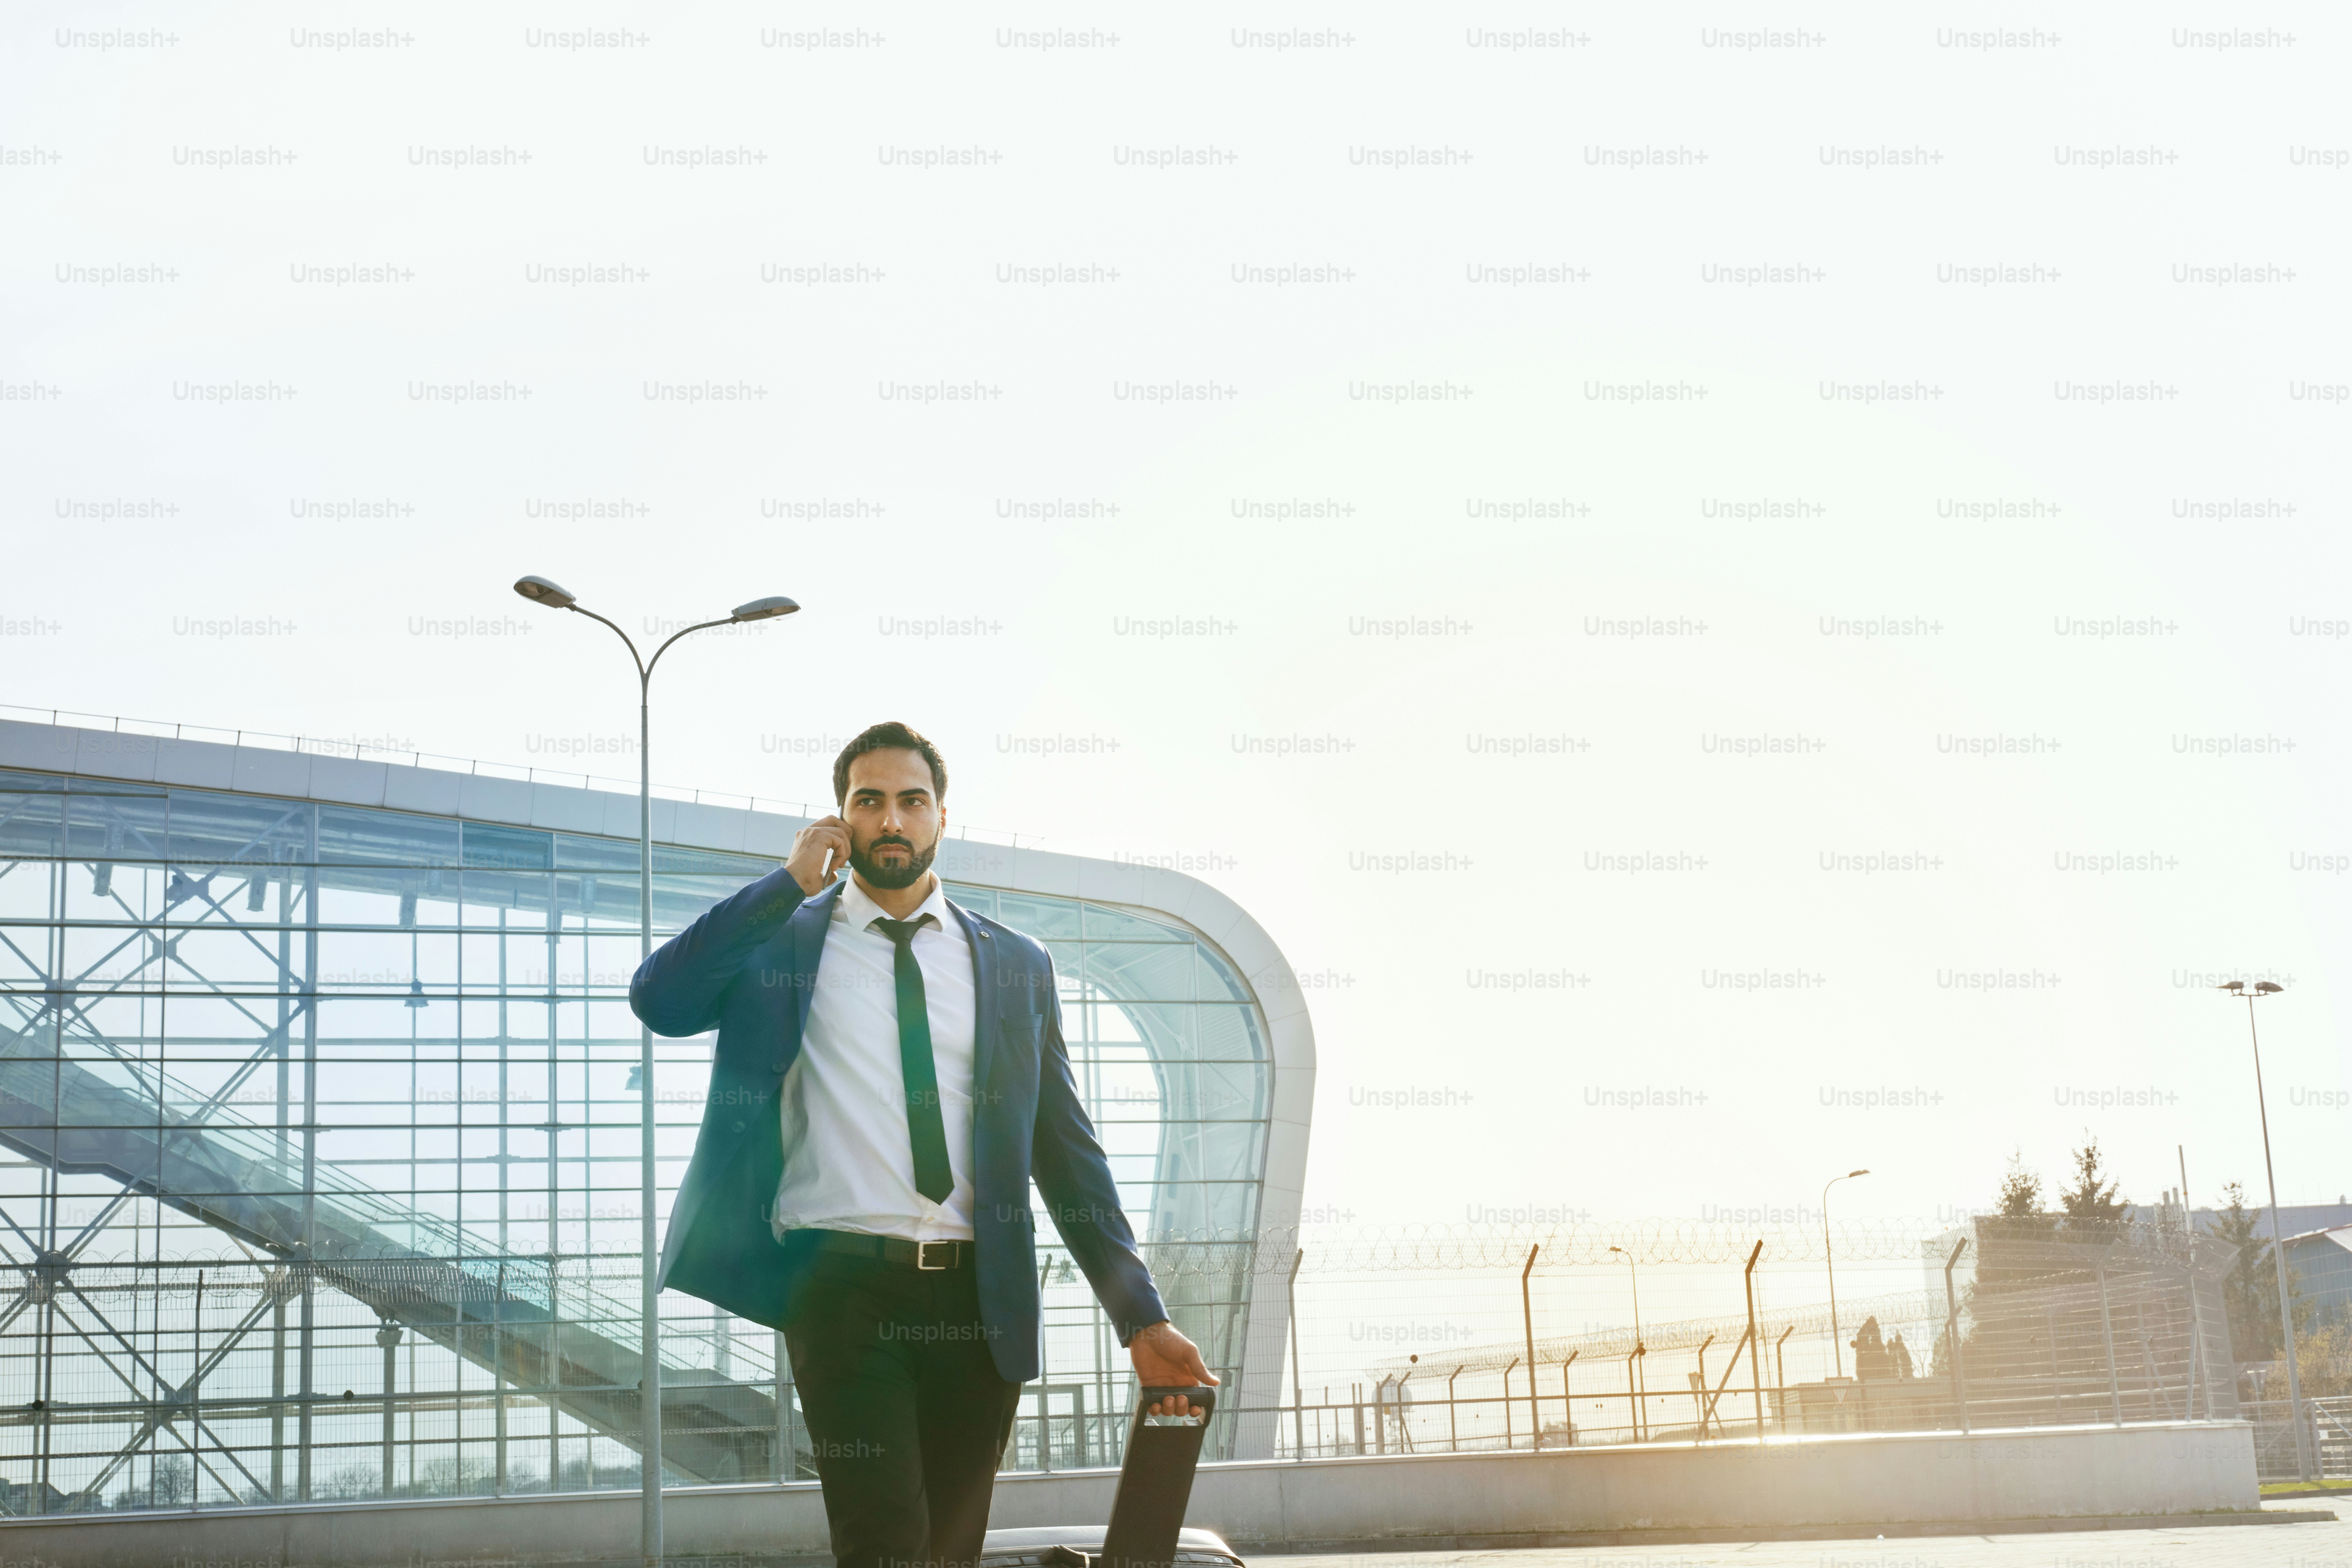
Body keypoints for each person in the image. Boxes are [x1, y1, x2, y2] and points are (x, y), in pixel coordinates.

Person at [630, 722, 1215, 1568]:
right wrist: (784, 885)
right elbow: (663, 1002)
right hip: (838, 1291)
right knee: (885, 1547)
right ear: (840, 821)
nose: (891, 819)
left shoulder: (1015, 962)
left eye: (911, 801)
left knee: (948, 1550)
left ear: (942, 817)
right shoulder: (780, 945)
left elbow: (1066, 1147)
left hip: (980, 1301)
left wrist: (1140, 1316)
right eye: (869, 801)